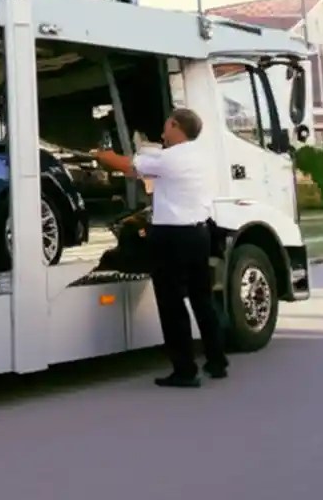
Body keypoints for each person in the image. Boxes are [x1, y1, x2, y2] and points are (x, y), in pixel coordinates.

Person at [93, 108, 228, 388]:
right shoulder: (200, 156)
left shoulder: (171, 159)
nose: (163, 129)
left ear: (176, 125)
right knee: (202, 300)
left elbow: (131, 167)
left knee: (172, 304)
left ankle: (185, 371)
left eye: (167, 124)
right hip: (200, 233)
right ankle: (217, 361)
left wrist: (103, 157)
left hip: (172, 237)